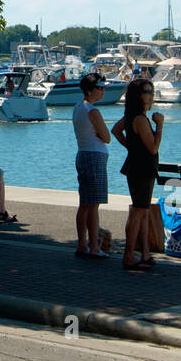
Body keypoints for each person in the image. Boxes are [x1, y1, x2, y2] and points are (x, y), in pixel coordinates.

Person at [111, 78, 162, 270]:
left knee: (143, 210)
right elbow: (153, 147)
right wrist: (160, 125)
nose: (151, 95)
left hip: (136, 166)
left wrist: (131, 147)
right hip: (142, 168)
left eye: (152, 90)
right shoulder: (140, 119)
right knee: (139, 211)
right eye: (147, 91)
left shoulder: (132, 116)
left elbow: (116, 130)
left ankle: (145, 252)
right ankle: (129, 255)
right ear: (138, 96)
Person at [72, 72, 112, 258]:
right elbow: (107, 137)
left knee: (84, 203)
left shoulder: (78, 108)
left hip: (83, 154)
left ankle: (82, 243)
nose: (102, 91)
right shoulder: (93, 111)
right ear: (89, 90)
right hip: (94, 156)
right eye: (99, 88)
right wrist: (101, 134)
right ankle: (94, 247)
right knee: (93, 205)